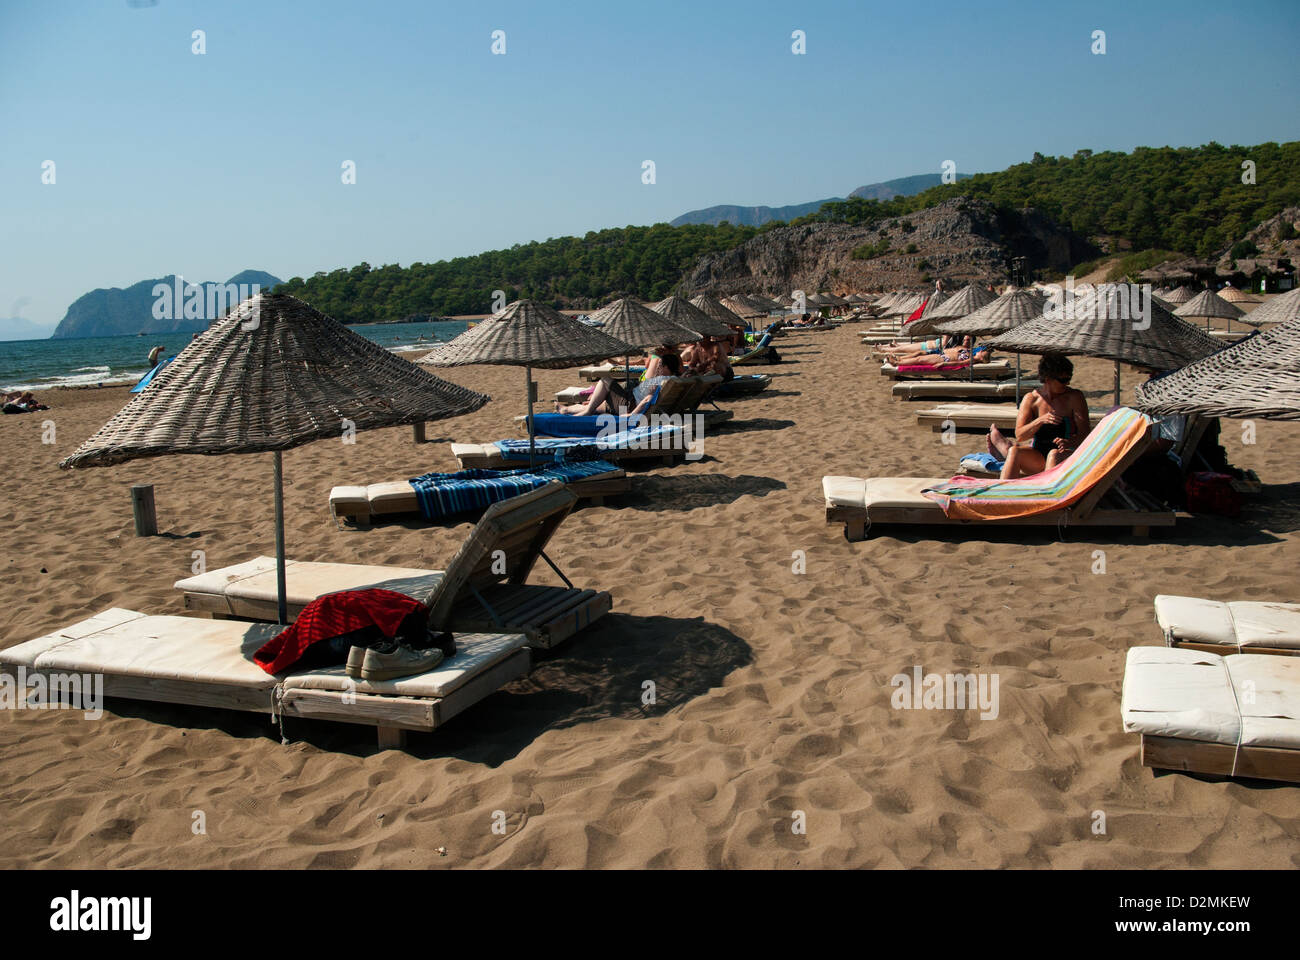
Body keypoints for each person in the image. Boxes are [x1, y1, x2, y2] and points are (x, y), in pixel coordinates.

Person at [986, 353, 1090, 479]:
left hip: (1066, 454)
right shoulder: (1032, 399)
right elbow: (1020, 435)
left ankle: (1045, 495)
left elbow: (1085, 434)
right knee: (1014, 451)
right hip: (1038, 456)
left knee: (1053, 454)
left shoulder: (1074, 397)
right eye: (1062, 380)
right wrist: (1040, 420)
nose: (1067, 383)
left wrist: (1069, 442)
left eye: (1069, 379)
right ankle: (1002, 493)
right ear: (1048, 379)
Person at [556, 345, 682, 416]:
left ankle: (586, 411)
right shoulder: (672, 380)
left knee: (605, 379)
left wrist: (631, 414)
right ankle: (566, 410)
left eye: (660, 365)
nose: (658, 367)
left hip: (628, 404)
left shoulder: (660, 381)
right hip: (629, 400)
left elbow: (648, 398)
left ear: (666, 367)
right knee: (600, 406)